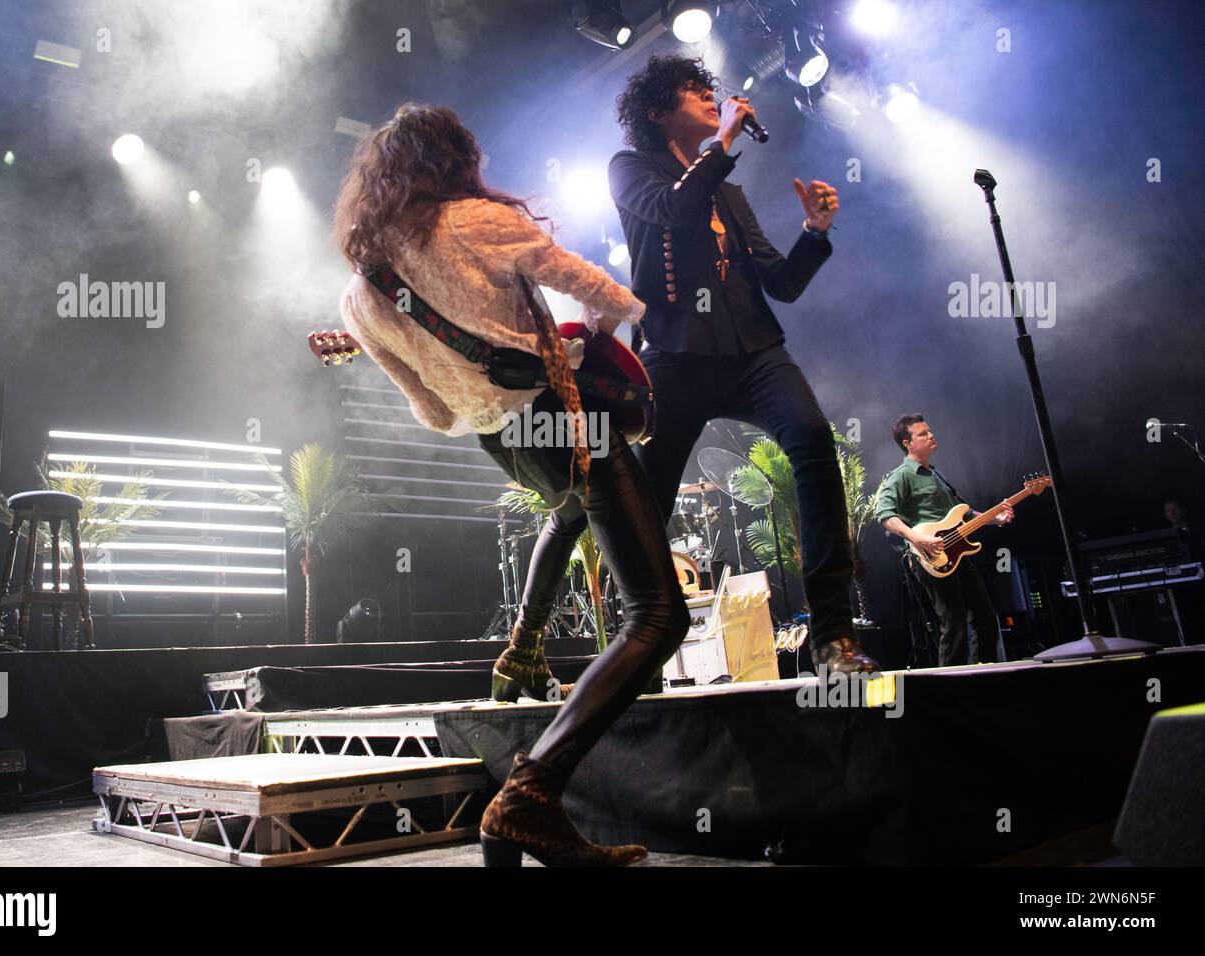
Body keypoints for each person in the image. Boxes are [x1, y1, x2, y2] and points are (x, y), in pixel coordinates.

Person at [335, 104, 691, 865]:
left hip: (507, 445)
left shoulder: (360, 294)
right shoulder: (472, 221)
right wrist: (589, 343)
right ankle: (528, 796)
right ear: (455, 159)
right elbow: (614, 295)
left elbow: (430, 412)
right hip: (567, 417)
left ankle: (525, 687)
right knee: (658, 617)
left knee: (593, 551)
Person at [607, 54, 875, 673]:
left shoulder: (727, 189)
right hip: (675, 353)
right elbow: (674, 208)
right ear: (657, 111)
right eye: (694, 89)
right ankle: (639, 646)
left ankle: (834, 638)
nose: (710, 94)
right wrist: (724, 140)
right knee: (650, 493)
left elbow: (779, 283)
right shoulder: (630, 169)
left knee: (811, 439)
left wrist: (814, 232)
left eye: (710, 87)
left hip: (753, 350)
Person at [874, 414, 1011, 665]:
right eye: (923, 433)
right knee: (954, 621)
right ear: (907, 443)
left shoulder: (937, 476)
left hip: (958, 554)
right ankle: (950, 687)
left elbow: (965, 514)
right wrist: (917, 538)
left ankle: (985, 675)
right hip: (930, 557)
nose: (931, 435)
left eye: (930, 431)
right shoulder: (901, 476)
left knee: (986, 618)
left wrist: (995, 518)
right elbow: (884, 514)